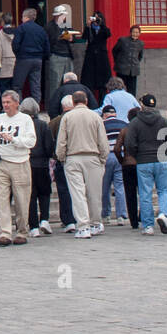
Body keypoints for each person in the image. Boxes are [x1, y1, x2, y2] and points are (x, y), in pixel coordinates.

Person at [55, 88, 108, 239]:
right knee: (94, 193)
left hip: (73, 157)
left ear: (72, 102)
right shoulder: (95, 116)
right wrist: (102, 159)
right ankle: (96, 223)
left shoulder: (67, 117)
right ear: (86, 101)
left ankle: (83, 226)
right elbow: (103, 142)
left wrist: (62, 157)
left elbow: (61, 141)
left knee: (77, 193)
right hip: (93, 157)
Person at [0, 90, 37, 246]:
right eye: (4, 103)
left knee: (22, 199)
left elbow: (31, 141)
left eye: (8, 102)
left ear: (16, 103)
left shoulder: (25, 119)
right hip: (1, 162)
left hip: (19, 162)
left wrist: (14, 139)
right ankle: (5, 232)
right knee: (1, 199)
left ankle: (22, 230)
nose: (5, 105)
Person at [126, 93, 167, 235]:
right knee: (163, 190)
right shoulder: (163, 121)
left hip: (143, 161)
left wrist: (135, 154)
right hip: (162, 160)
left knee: (145, 193)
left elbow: (129, 143)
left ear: (142, 105)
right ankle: (163, 214)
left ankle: (148, 226)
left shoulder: (135, 123)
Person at [21, 98, 55, 237]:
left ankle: (33, 226)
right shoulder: (42, 125)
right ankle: (45, 219)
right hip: (42, 163)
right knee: (45, 193)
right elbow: (49, 145)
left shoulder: (22, 125)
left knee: (30, 196)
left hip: (26, 162)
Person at [10, 8, 50, 102]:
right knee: (35, 86)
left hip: (24, 58)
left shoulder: (21, 28)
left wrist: (18, 54)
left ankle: (18, 108)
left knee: (17, 85)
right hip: (38, 60)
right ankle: (35, 109)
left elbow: (15, 45)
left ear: (25, 17)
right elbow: (47, 46)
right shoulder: (41, 30)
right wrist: (43, 57)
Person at [99, 105, 129, 226]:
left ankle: (105, 214)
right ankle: (121, 215)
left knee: (104, 187)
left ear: (104, 115)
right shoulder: (123, 124)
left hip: (106, 156)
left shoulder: (102, 125)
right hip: (120, 156)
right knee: (120, 187)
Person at [52, 94, 78, 232]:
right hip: (79, 158)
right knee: (78, 190)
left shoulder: (56, 121)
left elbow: (51, 141)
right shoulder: (81, 119)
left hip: (63, 160)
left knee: (64, 191)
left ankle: (68, 219)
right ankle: (80, 217)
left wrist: (57, 157)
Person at [112, 105, 140, 229]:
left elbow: (117, 149)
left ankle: (133, 220)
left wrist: (122, 160)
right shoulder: (142, 129)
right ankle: (142, 216)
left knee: (130, 193)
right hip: (141, 163)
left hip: (128, 164)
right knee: (144, 192)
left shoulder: (124, 130)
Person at [79, 11, 112, 103]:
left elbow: (108, 34)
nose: (96, 20)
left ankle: (102, 102)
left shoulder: (103, 29)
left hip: (102, 58)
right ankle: (91, 102)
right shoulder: (90, 29)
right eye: (95, 18)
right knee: (89, 81)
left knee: (103, 83)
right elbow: (84, 37)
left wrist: (101, 24)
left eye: (98, 18)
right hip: (91, 57)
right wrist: (87, 26)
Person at [45, 5, 76, 99]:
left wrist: (71, 38)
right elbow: (48, 41)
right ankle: (53, 106)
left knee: (69, 82)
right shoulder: (49, 26)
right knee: (55, 83)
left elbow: (73, 37)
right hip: (55, 56)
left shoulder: (67, 25)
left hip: (67, 56)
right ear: (56, 16)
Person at [112, 25, 145, 96]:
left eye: (137, 33)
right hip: (122, 69)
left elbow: (140, 56)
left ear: (139, 34)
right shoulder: (122, 40)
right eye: (134, 32)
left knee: (132, 91)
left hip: (133, 70)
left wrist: (135, 63)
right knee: (120, 88)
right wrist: (119, 62)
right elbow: (114, 51)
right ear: (130, 32)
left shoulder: (141, 43)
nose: (135, 34)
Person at [0, 13, 17, 100]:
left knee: (3, 86)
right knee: (14, 86)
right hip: (15, 60)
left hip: (4, 61)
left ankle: (6, 104)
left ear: (3, 22)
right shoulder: (17, 32)